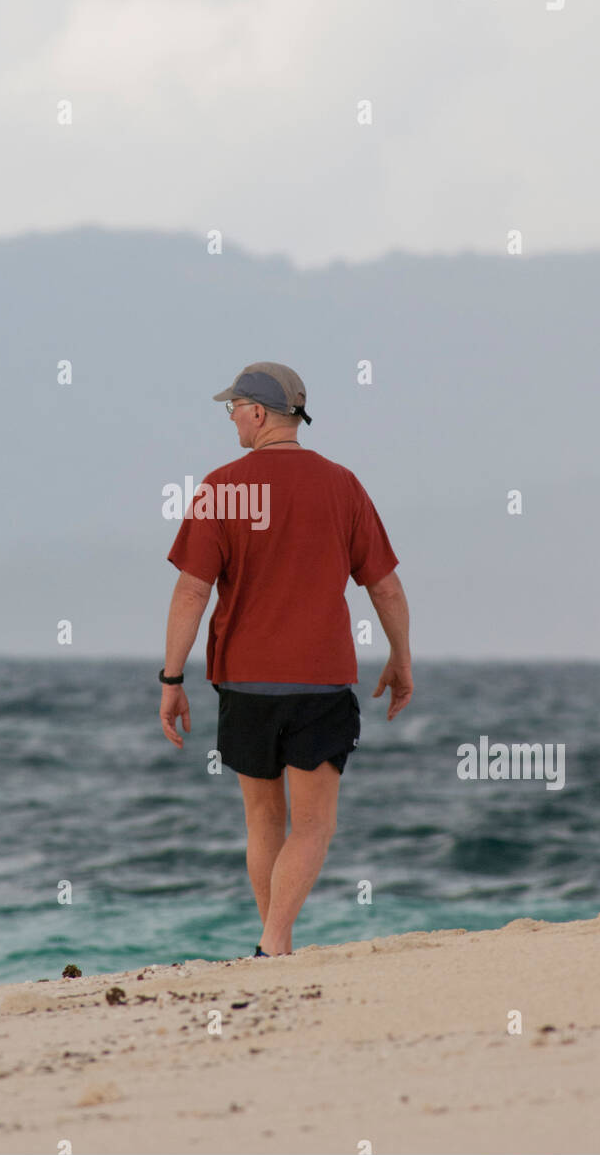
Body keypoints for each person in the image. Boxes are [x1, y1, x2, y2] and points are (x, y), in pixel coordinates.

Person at [159, 362, 412, 958]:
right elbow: (386, 588)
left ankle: (275, 947)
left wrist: (172, 678)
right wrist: (401, 657)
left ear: (257, 412)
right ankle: (275, 944)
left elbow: (192, 591)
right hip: (319, 679)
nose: (230, 420)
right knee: (313, 825)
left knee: (263, 822)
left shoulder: (221, 487)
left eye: (233, 410)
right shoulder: (342, 484)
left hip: (243, 679)